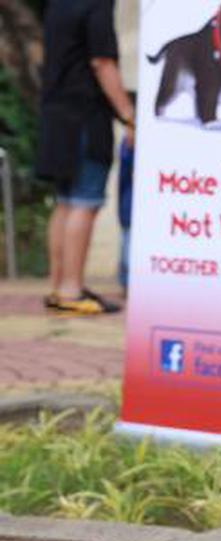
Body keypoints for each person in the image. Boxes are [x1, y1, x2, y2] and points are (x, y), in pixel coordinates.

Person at [35, 0, 134, 316]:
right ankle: (71, 290)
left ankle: (59, 285)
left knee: (65, 202)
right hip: (85, 118)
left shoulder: (59, 5)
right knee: (85, 202)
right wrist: (129, 116)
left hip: (56, 116)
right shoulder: (97, 7)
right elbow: (102, 63)